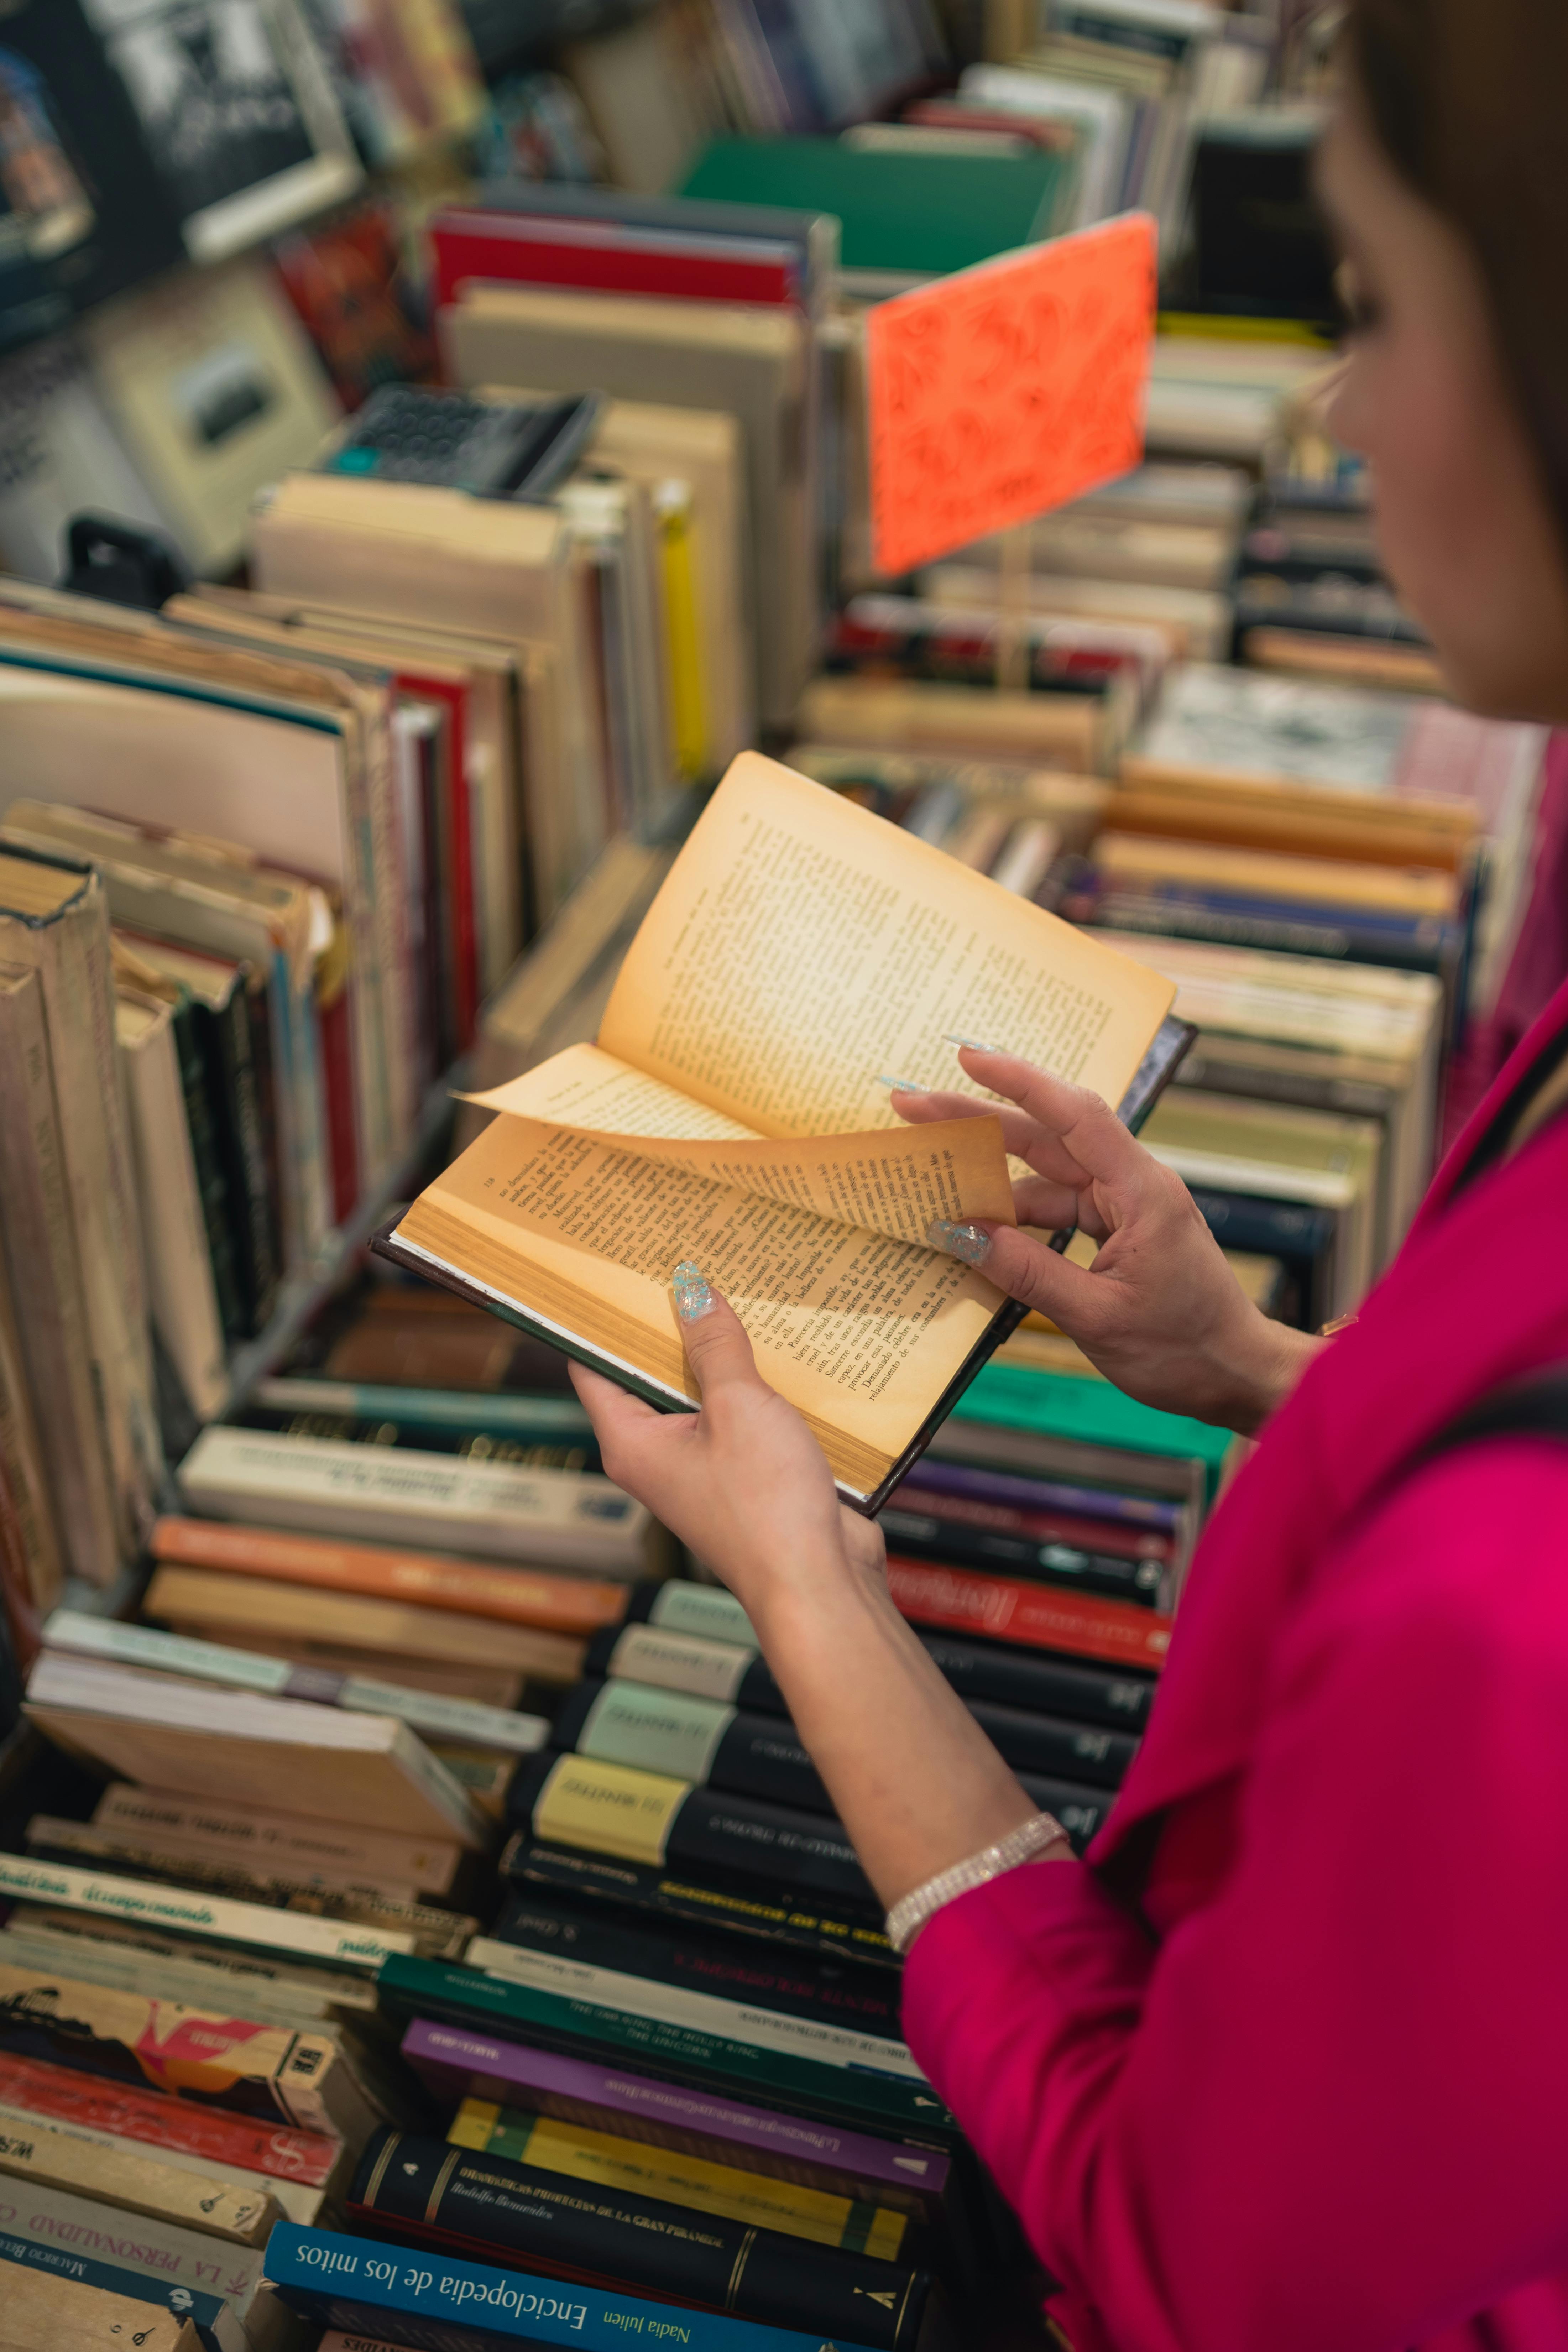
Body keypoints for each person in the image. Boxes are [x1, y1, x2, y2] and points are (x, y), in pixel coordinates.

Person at [567, 2, 1568, 2344]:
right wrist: (1244, 1364)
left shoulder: (1495, 1627)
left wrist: (809, 1591)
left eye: (1374, 308)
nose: (1332, 409)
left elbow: (1195, 2265)